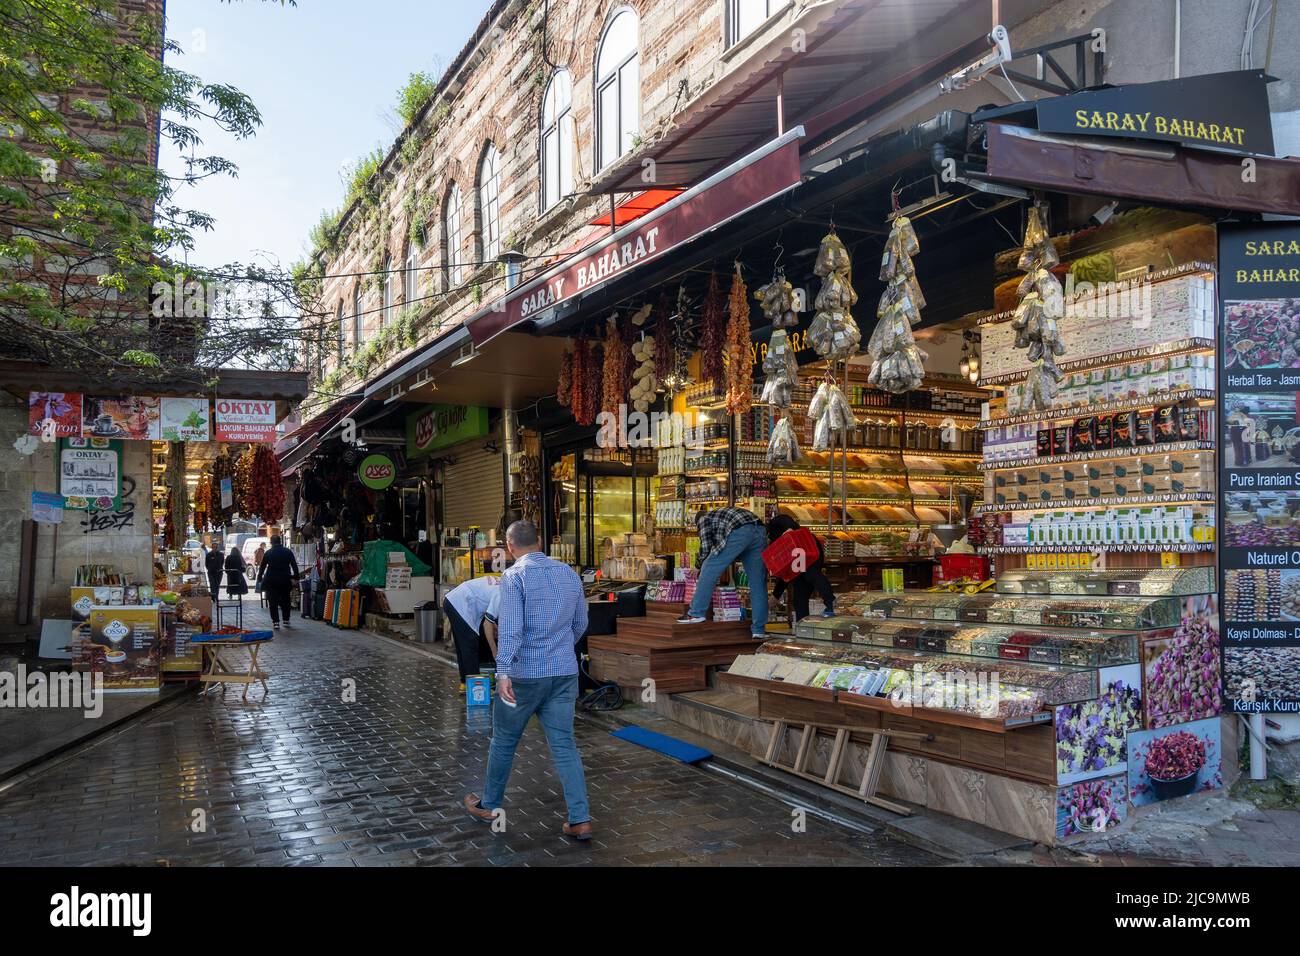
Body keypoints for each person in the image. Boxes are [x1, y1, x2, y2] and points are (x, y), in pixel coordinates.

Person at [463, 520, 592, 841]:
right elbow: (580, 624)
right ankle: (580, 818)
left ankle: (490, 804)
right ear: (540, 540)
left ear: (509, 547)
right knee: (564, 745)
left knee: (505, 741)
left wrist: (503, 671)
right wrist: (559, 649)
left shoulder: (514, 576)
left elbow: (511, 630)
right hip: (563, 673)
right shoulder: (569, 574)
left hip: (524, 675)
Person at [676, 506, 769, 638]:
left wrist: (698, 566)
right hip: (759, 529)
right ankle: (758, 630)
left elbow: (706, 546)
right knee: (757, 584)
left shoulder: (703, 519)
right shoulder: (719, 517)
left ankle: (696, 613)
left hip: (741, 530)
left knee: (708, 568)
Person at [766, 514, 836, 620]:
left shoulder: (774, 524)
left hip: (804, 548)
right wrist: (776, 595)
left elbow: (786, 520)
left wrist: (789, 530)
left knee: (810, 575)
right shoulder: (773, 543)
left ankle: (830, 601)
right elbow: (786, 574)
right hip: (802, 554)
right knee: (799, 596)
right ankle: (802, 626)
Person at [443, 574, 501, 686]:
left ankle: (465, 683)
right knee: (470, 644)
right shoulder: (504, 593)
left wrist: (494, 625)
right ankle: (476, 688)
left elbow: (488, 606)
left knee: (462, 646)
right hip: (460, 603)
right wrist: (495, 652)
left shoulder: (505, 583)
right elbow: (487, 624)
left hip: (453, 600)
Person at [256, 535, 301, 630]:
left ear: (271, 542)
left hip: (271, 580)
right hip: (285, 579)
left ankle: (276, 622)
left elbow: (262, 567)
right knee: (286, 600)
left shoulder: (268, 553)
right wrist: (296, 577)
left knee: (273, 601)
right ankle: (286, 620)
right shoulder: (288, 552)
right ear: (280, 541)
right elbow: (294, 565)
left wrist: (259, 577)